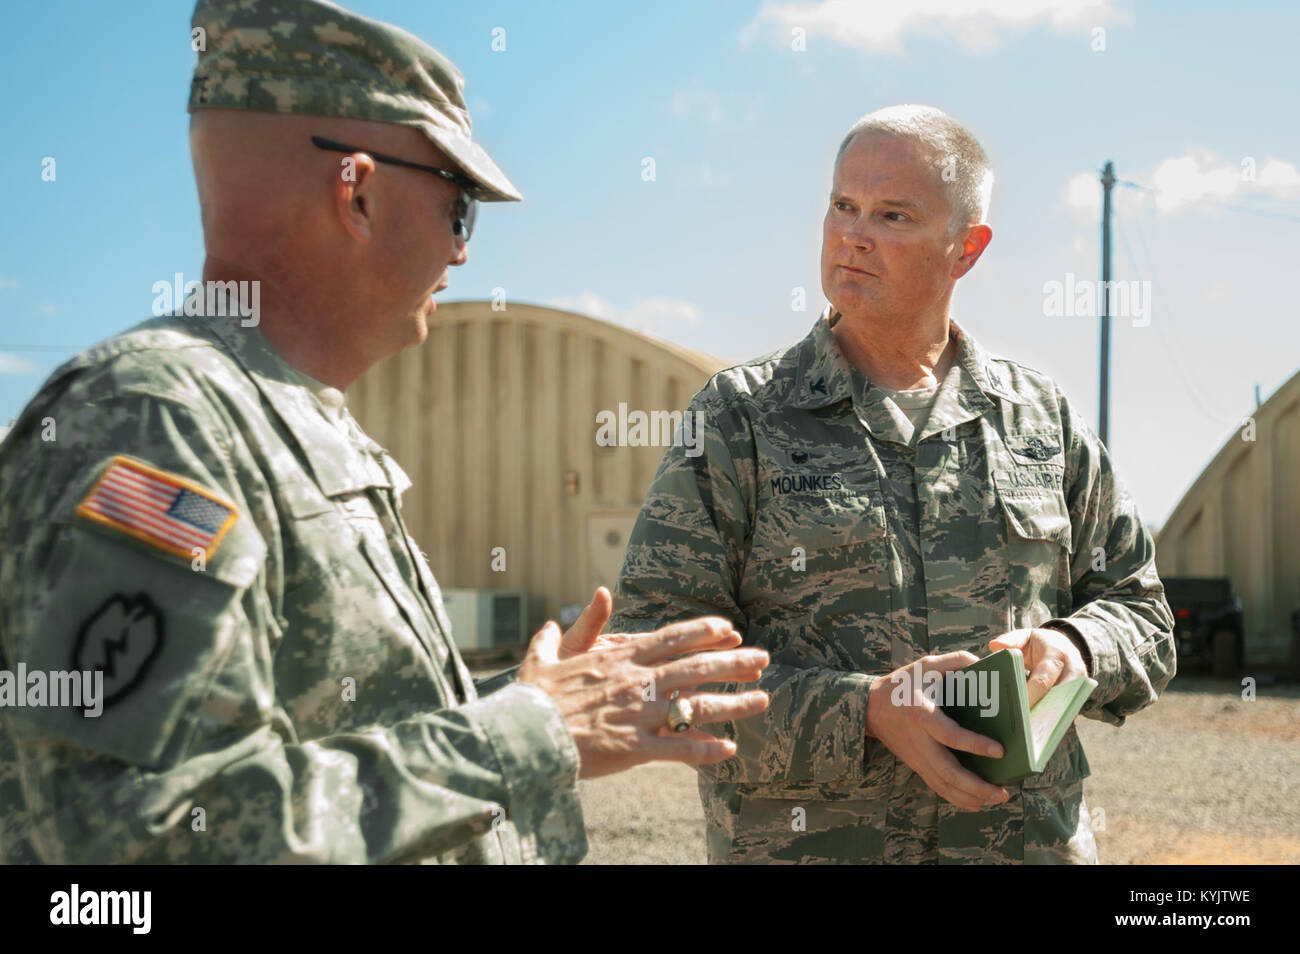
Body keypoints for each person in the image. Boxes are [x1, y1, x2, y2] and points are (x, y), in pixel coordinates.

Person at [0, 0, 770, 865]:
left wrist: (517, 699)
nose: (462, 253)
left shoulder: (289, 417)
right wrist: (527, 732)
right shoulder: (156, 423)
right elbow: (112, 847)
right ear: (357, 192)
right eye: (459, 210)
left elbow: (326, 729)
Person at [609, 104, 1175, 864]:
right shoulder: (740, 418)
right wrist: (866, 711)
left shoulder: (1040, 417)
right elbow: (653, 659)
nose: (853, 235)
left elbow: (1143, 612)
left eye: (893, 215)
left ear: (965, 249)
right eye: (843, 206)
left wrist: (1075, 647)